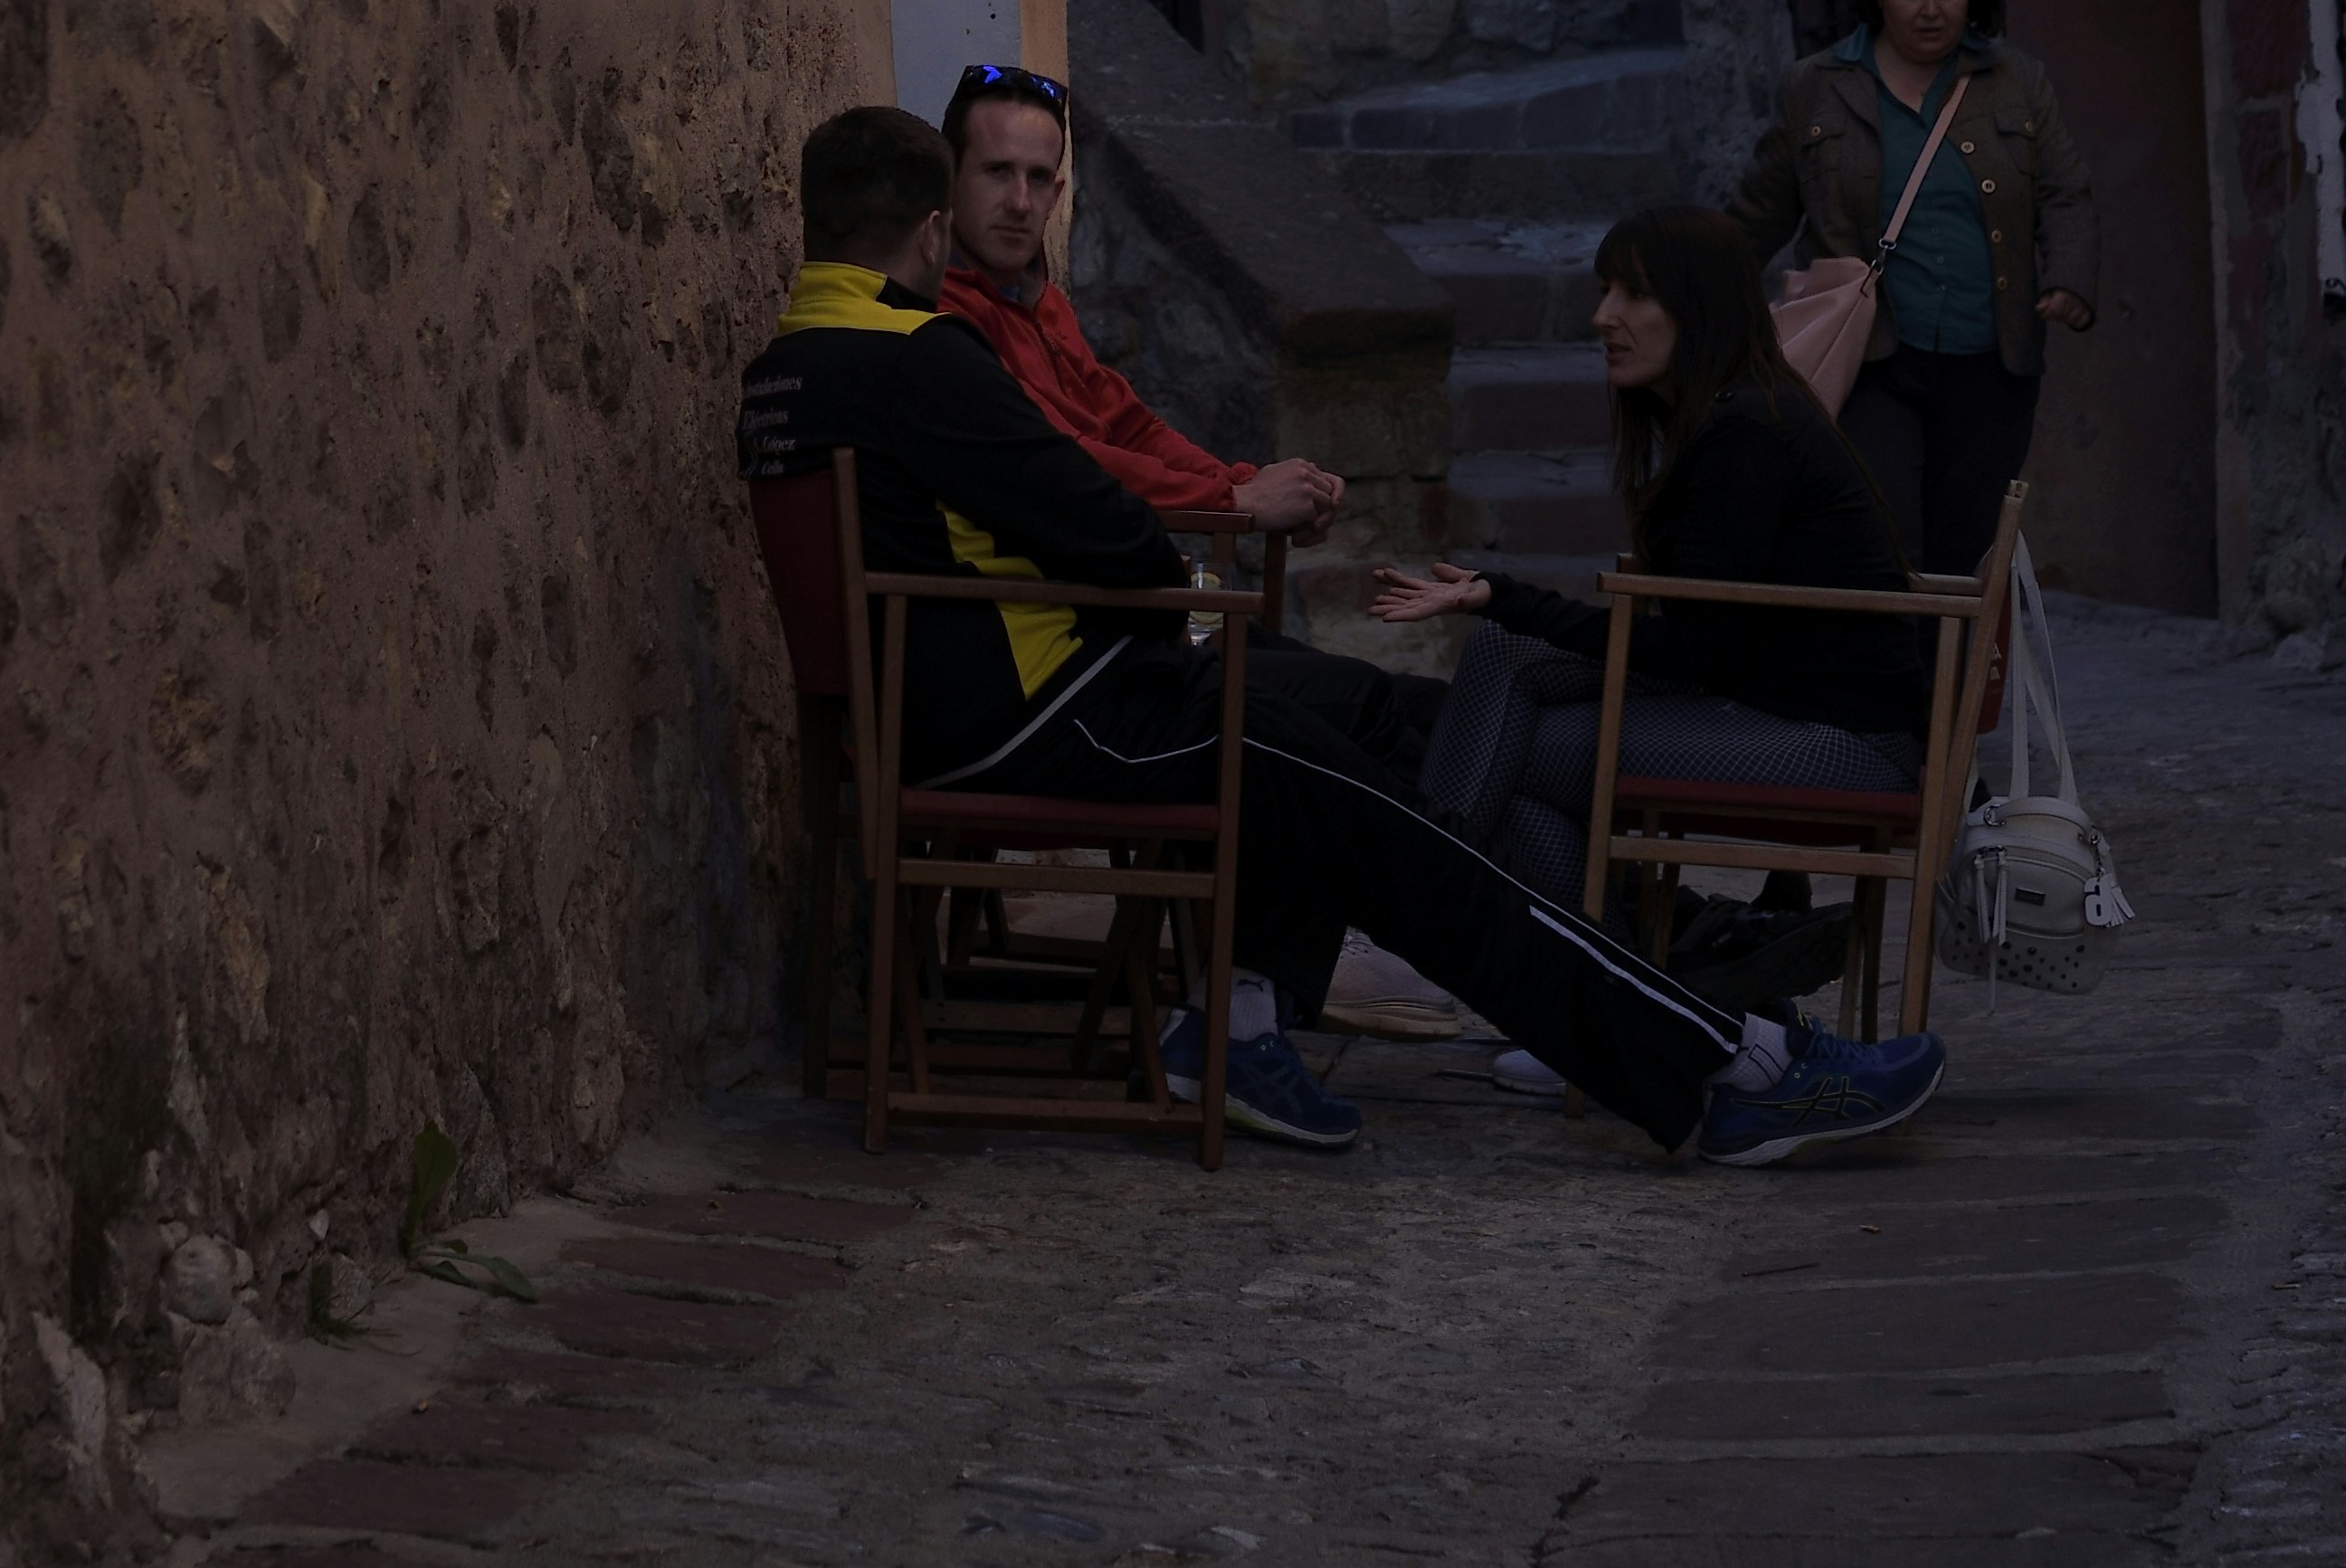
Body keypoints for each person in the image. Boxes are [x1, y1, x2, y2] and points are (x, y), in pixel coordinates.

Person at [739, 101, 1946, 1168]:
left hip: (995, 711)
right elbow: (1105, 528)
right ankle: (1728, 1071)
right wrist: (1148, 564)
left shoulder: (787, 365)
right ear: (931, 229)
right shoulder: (921, 356)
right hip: (1054, 715)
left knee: (1344, 744)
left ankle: (1245, 1020)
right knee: (1391, 830)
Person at [1367, 210, 1927, 988]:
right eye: (1605, 291)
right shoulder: (1732, 414)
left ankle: (1430, 929)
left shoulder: (1748, 432)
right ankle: (1600, 993)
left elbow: (1694, 652)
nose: (1604, 317)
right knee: (1502, 661)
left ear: (1698, 308)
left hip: (1844, 743)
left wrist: (1505, 596)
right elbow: (1705, 640)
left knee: (1513, 752)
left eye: (1634, 294)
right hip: (1770, 699)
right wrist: (1500, 603)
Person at [921, 62, 1432, 780]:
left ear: (1059, 194)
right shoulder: (944, 321)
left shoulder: (1034, 299)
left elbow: (1128, 426)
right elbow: (1068, 461)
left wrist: (1247, 485)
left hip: (1128, 618)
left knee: (1409, 707)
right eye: (996, 172)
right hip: (1071, 648)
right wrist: (1235, 500)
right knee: (1362, 709)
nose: (1019, 201)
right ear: (948, 181)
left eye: (1038, 179)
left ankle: (1491, 841)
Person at [1732, 0, 2094, 575]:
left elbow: (2064, 192)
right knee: (1883, 534)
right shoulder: (1817, 87)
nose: (1931, 11)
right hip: (1869, 356)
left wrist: (2068, 277)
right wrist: (1690, 295)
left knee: (1965, 547)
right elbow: (1759, 213)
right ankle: (1895, 650)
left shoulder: (2016, 82)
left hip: (1991, 359)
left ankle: (1948, 652)